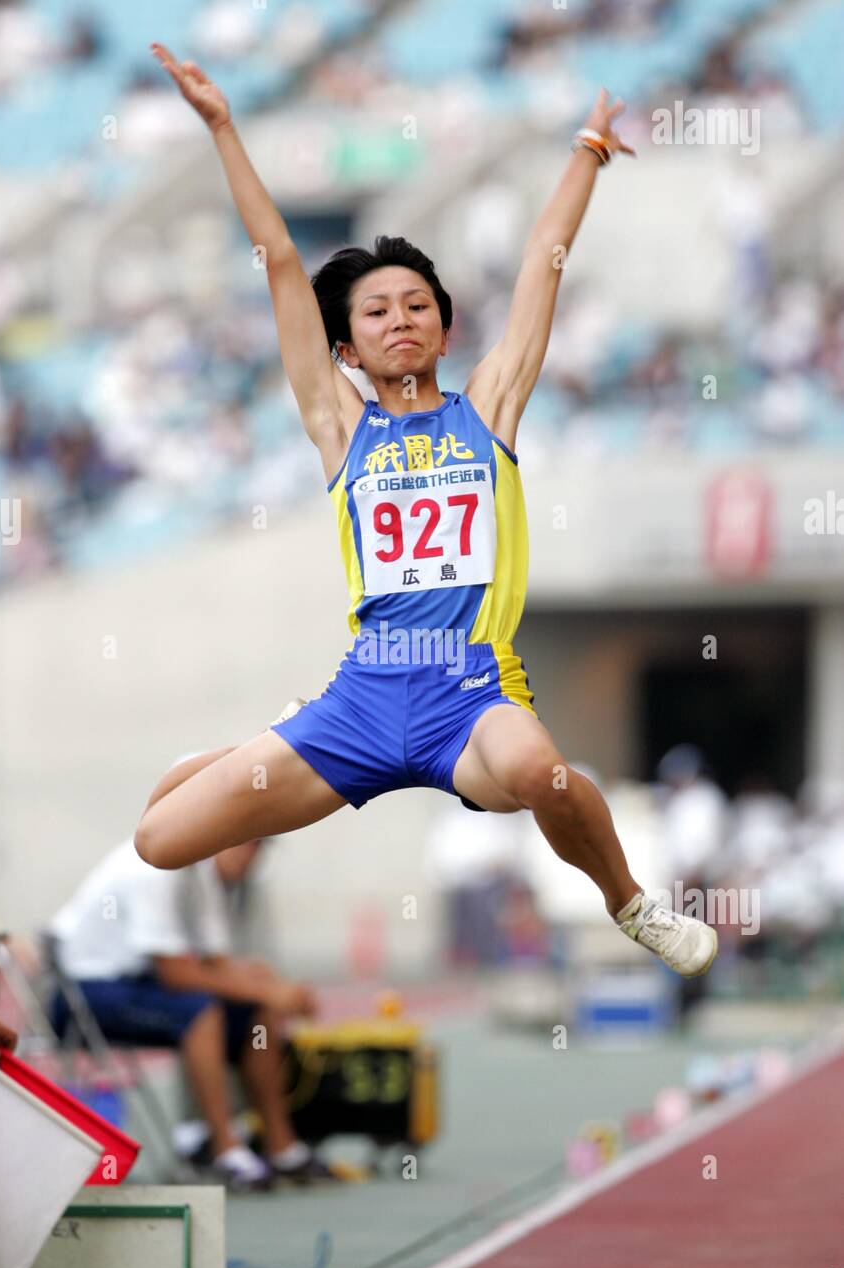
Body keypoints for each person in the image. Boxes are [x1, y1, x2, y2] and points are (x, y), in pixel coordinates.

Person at [134, 43, 717, 983]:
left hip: (467, 691)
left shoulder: (487, 409)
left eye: (417, 304)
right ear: (348, 350)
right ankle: (266, 736)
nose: (399, 318)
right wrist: (221, 126)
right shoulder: (338, 428)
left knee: (542, 774)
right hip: (362, 696)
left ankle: (630, 903)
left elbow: (542, 266)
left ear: (444, 326)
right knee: (160, 839)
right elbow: (281, 262)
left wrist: (586, 153)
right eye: (374, 313)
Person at [48, 827, 331, 1190]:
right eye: (249, 843)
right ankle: (224, 1149)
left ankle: (282, 1147)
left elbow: (217, 965)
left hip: (136, 985)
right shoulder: (155, 865)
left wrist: (271, 988)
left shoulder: (200, 872)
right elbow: (175, 972)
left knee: (252, 1012)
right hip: (86, 993)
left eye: (260, 847)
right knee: (202, 1012)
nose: (254, 857)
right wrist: (269, 992)